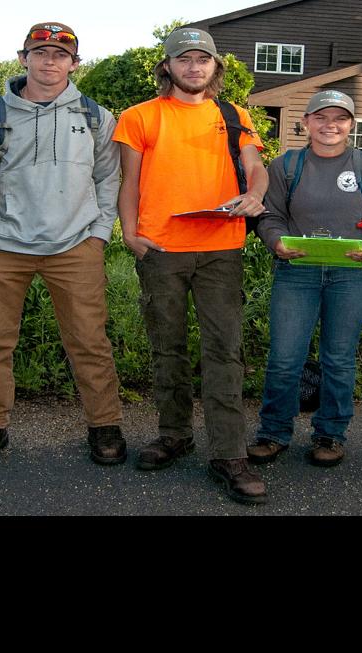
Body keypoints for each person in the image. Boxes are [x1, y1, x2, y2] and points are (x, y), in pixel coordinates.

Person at [113, 26, 270, 504]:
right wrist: (131, 235)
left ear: (215, 66)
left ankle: (229, 454)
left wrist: (254, 195)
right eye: (184, 59)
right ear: (168, 67)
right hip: (160, 249)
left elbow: (256, 166)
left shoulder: (232, 114)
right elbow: (128, 181)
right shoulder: (140, 116)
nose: (194, 66)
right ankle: (174, 434)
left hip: (221, 247)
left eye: (203, 59)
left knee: (225, 351)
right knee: (168, 348)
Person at [0, 22, 126, 472]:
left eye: (59, 54)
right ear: (23, 59)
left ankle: (104, 424)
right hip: (3, 245)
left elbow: (108, 178)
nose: (49, 62)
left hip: (75, 245)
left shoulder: (96, 115)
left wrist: (99, 235)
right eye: (40, 53)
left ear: (75, 63)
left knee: (89, 340)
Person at [247, 90, 362, 469]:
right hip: (297, 272)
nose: (330, 125)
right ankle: (273, 431)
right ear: (306, 122)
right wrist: (276, 241)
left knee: (338, 358)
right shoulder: (286, 165)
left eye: (340, 118)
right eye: (321, 117)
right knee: (285, 357)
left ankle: (330, 433)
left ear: (351, 124)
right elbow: (268, 217)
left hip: (353, 273)